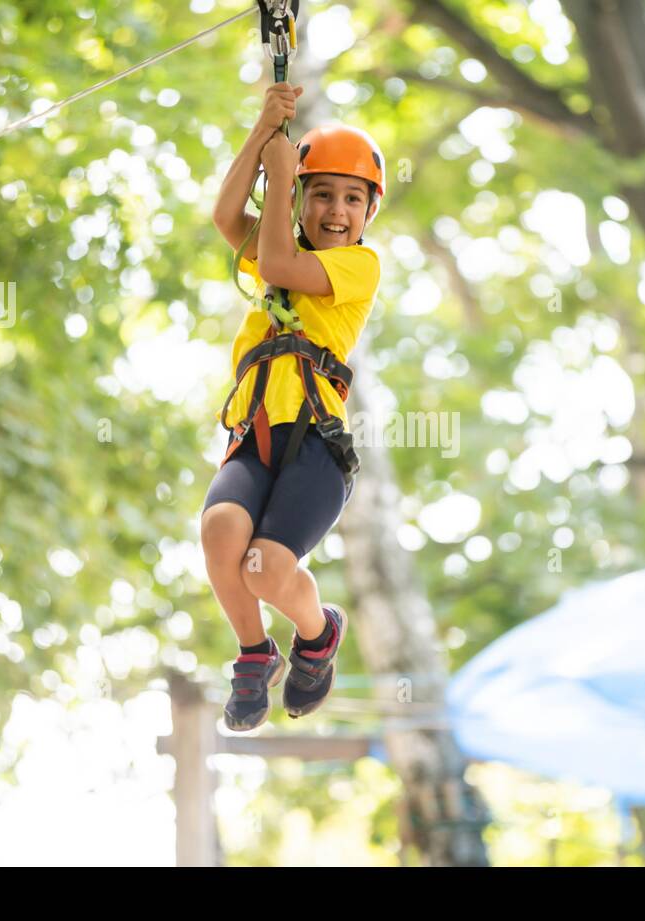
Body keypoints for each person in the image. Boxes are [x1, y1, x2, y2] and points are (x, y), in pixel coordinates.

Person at [203, 81, 385, 731]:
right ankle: (254, 652)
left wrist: (281, 179)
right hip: (257, 437)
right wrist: (262, 133)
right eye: (322, 194)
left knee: (264, 568)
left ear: (367, 215)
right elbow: (229, 220)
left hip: (313, 449)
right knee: (221, 530)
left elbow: (276, 259)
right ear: (304, 203)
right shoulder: (288, 243)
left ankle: (317, 631)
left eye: (352, 199)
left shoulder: (358, 267)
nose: (337, 211)